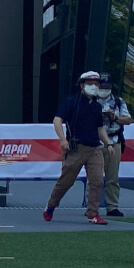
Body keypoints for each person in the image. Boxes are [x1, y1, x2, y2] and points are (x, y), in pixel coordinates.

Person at [42, 72, 113, 225]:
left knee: (97, 181)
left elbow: (100, 129)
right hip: (76, 147)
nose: (94, 86)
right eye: (90, 83)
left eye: (96, 83)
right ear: (81, 85)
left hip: (95, 148)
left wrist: (108, 143)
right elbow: (57, 120)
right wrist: (62, 139)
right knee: (66, 181)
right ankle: (51, 206)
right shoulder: (71, 102)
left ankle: (93, 213)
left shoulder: (96, 106)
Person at [94, 73, 132, 217]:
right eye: (101, 87)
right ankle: (92, 206)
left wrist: (114, 117)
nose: (104, 89)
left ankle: (112, 206)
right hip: (95, 143)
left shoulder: (118, 102)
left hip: (114, 141)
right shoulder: (91, 101)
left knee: (112, 177)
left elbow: (128, 120)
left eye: (106, 87)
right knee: (95, 177)